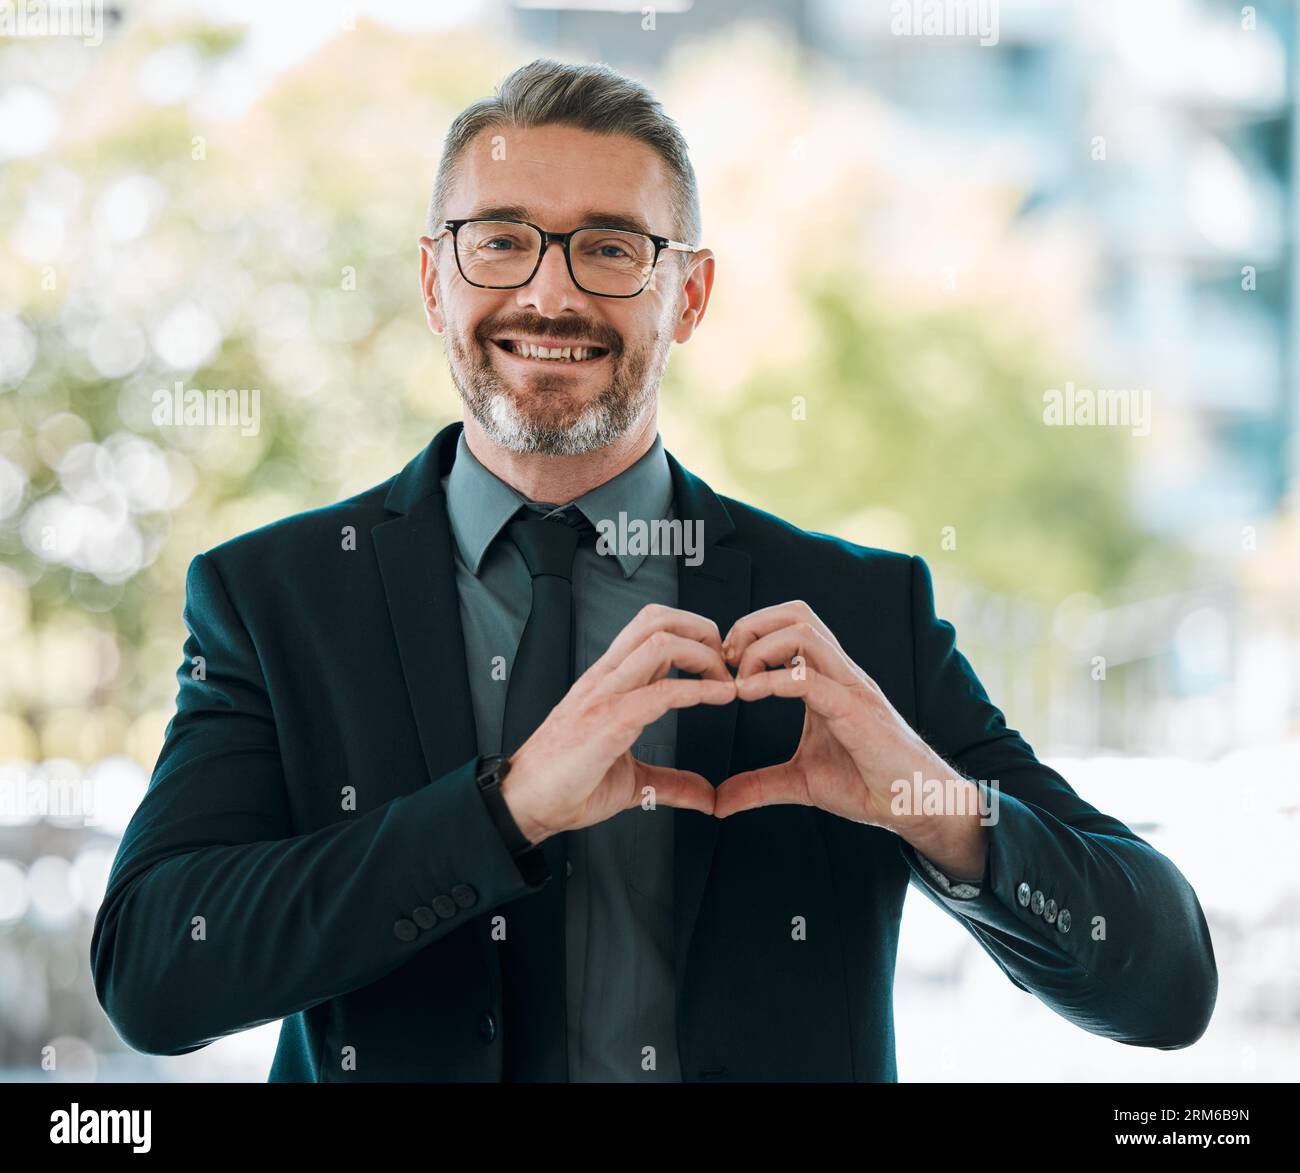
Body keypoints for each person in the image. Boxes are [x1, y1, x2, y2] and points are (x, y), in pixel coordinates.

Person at [90, 58, 1217, 1082]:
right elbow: (153, 972)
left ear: (691, 294)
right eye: (499, 239)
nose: (551, 294)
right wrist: (507, 809)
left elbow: (1166, 988)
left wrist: (941, 813)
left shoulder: (857, 615)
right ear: (435, 280)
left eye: (612, 248)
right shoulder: (277, 598)